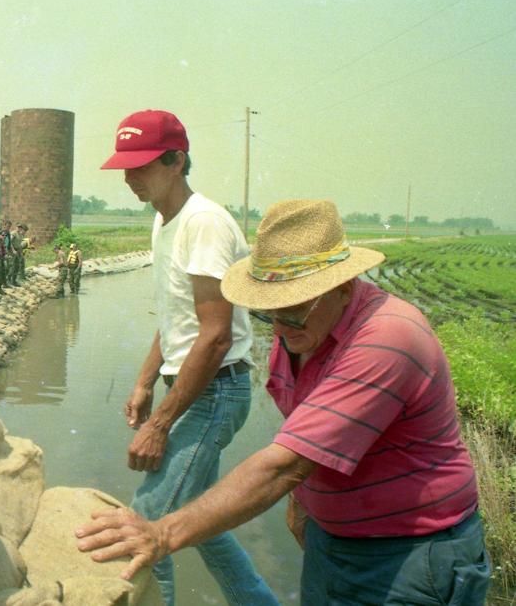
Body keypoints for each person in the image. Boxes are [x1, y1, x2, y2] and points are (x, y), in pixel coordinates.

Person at [77, 199, 490, 605]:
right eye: (267, 312)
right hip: (334, 543)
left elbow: (286, 464)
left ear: (342, 288)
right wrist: (303, 504)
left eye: (291, 312)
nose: (278, 327)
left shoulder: (387, 339)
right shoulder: (298, 334)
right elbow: (305, 434)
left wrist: (163, 533)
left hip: (412, 556)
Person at [91, 109, 273, 606]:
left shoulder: (205, 222)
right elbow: (176, 318)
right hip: (191, 385)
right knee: (203, 520)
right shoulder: (162, 220)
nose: (130, 178)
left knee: (147, 525)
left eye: (142, 166)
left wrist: (160, 425)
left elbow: (215, 337)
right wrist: (145, 382)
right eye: (125, 168)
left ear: (177, 161)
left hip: (215, 389)